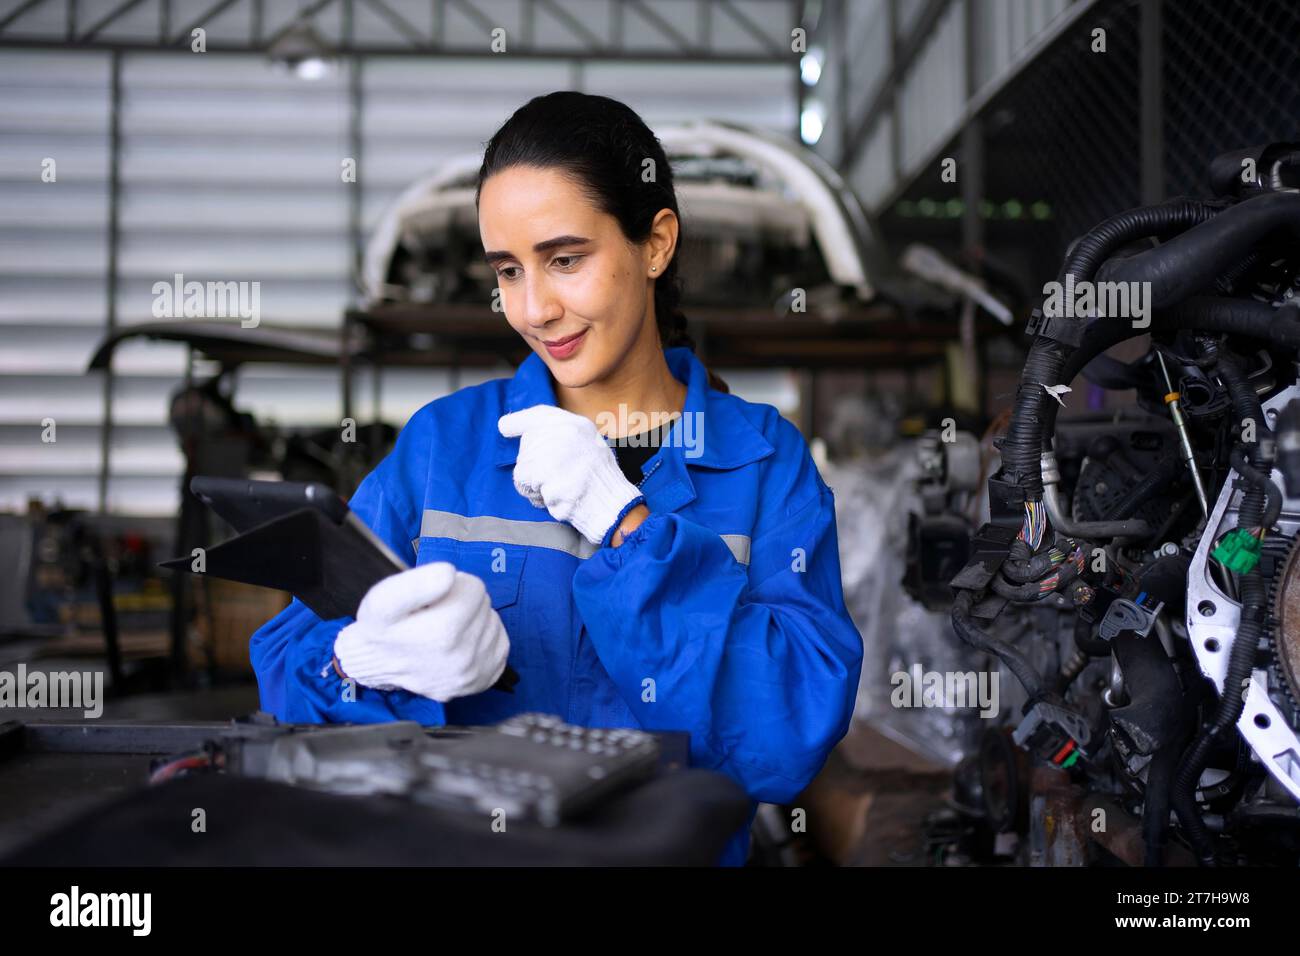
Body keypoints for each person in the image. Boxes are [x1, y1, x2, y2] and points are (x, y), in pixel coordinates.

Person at [249, 91, 864, 866]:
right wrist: (360, 663)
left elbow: (785, 739)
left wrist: (627, 528)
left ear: (656, 243)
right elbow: (287, 670)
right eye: (508, 270)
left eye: (565, 259)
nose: (534, 308)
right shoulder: (445, 448)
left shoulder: (765, 463)